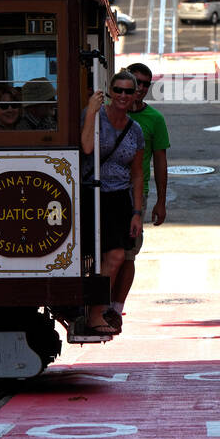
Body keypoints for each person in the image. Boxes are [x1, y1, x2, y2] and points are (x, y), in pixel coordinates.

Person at [79, 71, 145, 335]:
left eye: (129, 92)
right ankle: (93, 312)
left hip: (119, 199)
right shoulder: (94, 115)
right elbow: (85, 148)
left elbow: (137, 173)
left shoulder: (136, 130)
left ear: (135, 95)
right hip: (91, 193)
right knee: (95, 257)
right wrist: (92, 112)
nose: (123, 96)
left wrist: (137, 212)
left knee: (117, 256)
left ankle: (98, 312)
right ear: (110, 90)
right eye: (118, 90)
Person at [111, 63, 170, 331]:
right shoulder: (106, 115)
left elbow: (160, 161)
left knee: (129, 255)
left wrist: (160, 201)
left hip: (137, 195)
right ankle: (102, 304)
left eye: (147, 84)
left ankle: (117, 308)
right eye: (138, 82)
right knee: (111, 253)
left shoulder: (154, 120)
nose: (141, 89)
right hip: (108, 191)